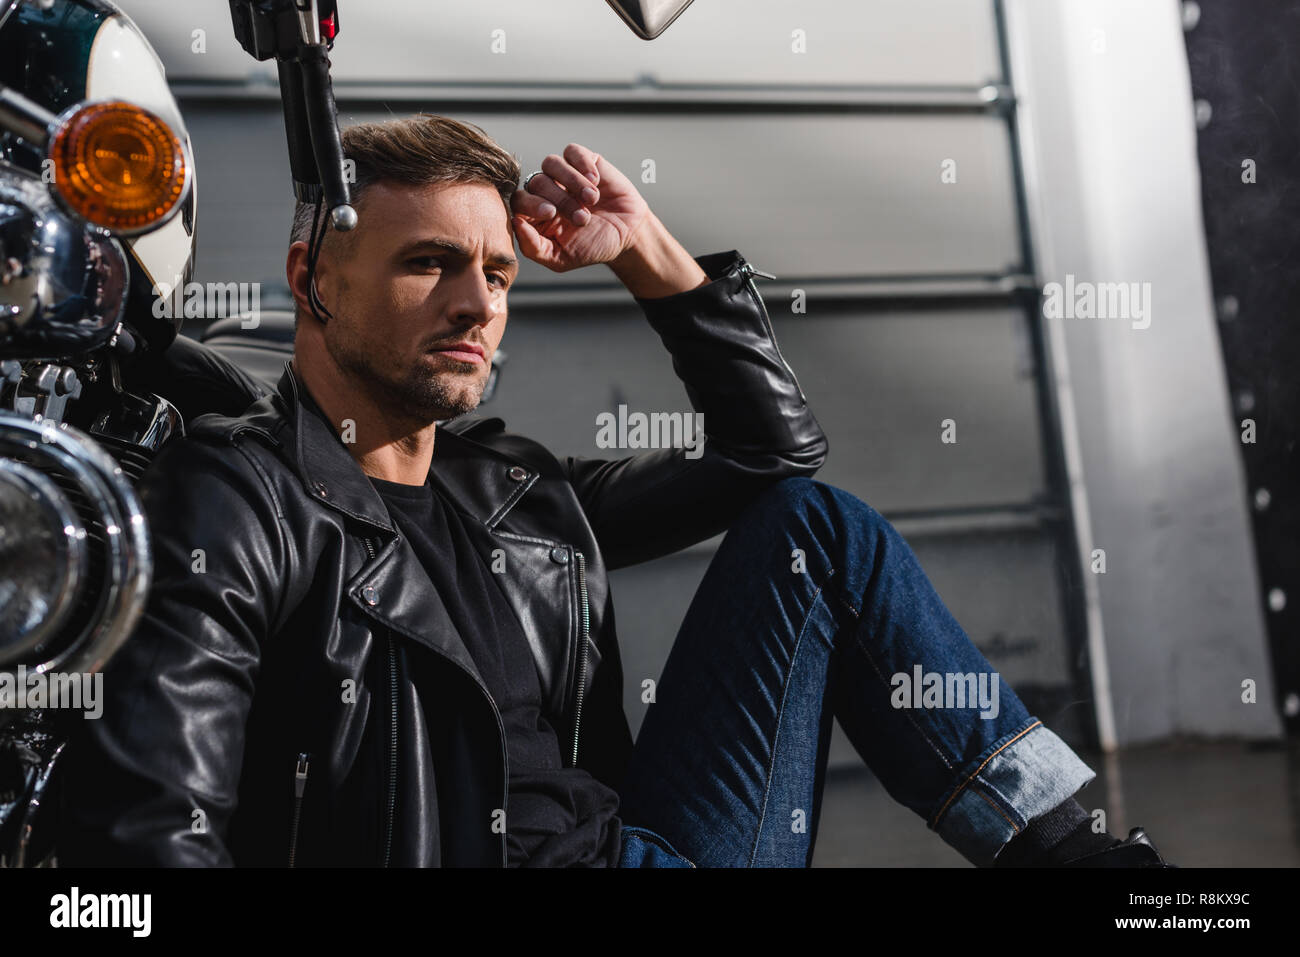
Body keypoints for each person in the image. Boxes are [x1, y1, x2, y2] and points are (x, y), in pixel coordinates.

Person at [60, 114, 1171, 868]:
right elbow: (157, 824)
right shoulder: (242, 496)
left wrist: (646, 252)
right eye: (428, 263)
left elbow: (770, 455)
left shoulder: (513, 491)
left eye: (497, 272)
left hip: (642, 849)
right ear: (312, 279)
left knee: (817, 531)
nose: (477, 304)